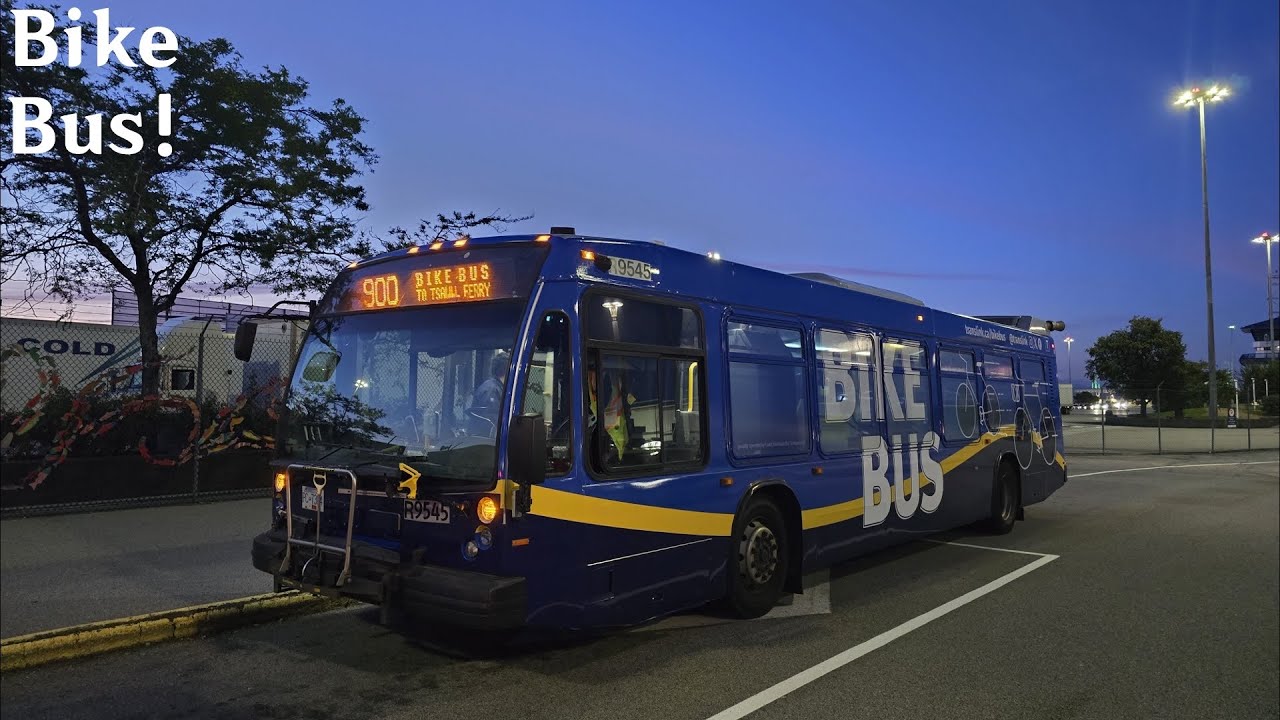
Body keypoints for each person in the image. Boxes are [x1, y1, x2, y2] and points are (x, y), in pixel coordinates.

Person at [467, 351, 509, 434]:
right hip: (484, 439)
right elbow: (492, 422)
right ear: (507, 370)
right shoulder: (492, 390)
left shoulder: (496, 387)